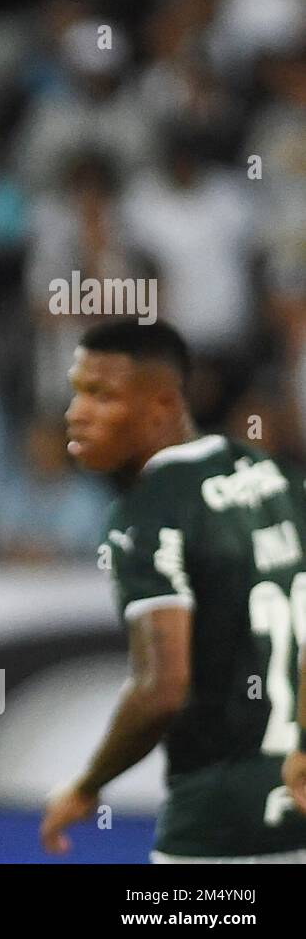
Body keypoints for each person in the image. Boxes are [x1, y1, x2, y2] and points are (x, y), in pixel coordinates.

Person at [42, 318, 306, 862]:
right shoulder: (274, 476)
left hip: (218, 823)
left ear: (160, 407)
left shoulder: (147, 516)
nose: (76, 413)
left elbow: (162, 689)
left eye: (101, 395)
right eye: (76, 391)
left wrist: (88, 784)